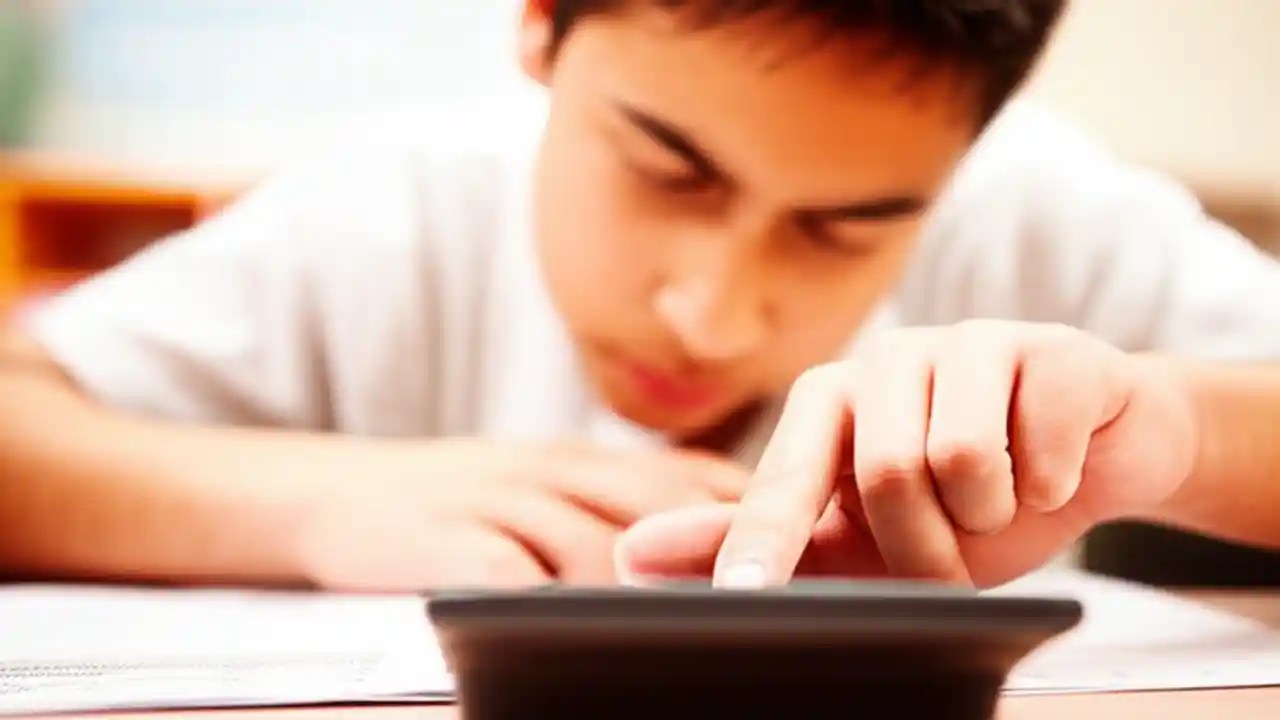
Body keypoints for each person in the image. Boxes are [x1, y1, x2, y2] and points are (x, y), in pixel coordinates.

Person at [0, 0, 1277, 592]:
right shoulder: (397, 206)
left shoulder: (1035, 204)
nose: (713, 316)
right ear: (540, 28)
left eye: (849, 229)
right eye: (669, 171)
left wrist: (1174, 433)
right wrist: (302, 505)